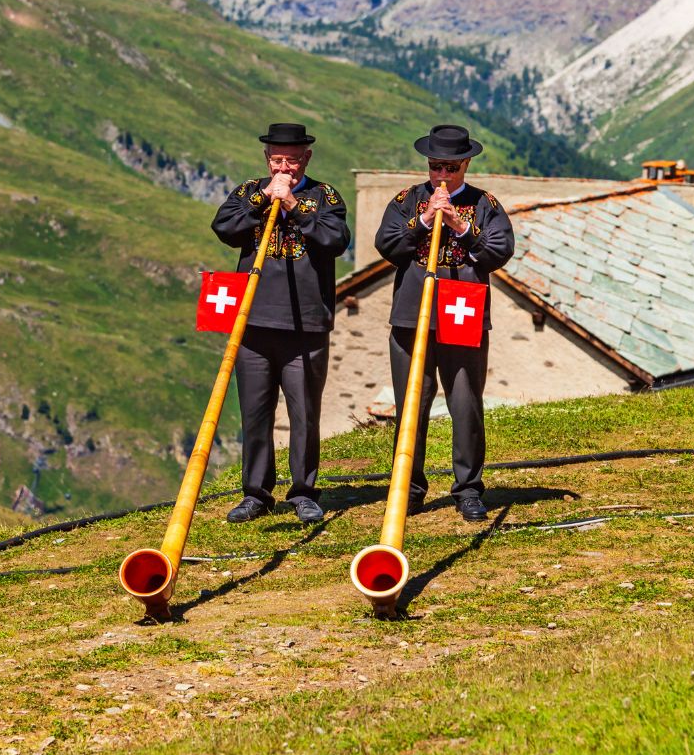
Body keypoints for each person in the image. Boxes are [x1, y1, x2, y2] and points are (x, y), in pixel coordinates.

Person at [375, 124, 514, 522]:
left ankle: (468, 489)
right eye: (436, 167)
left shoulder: (484, 203)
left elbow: (498, 251)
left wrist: (459, 227)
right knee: (411, 405)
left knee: (466, 402)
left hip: (462, 308)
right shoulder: (406, 200)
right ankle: (409, 488)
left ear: (465, 164)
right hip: (411, 312)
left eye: (450, 168)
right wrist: (422, 223)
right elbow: (387, 245)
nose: (442, 176)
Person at [212, 122, 351, 524]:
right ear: (266, 158)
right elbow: (225, 228)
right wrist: (261, 201)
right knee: (255, 411)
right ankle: (256, 493)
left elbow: (335, 240)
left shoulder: (324, 195)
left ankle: (304, 491)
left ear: (306, 158)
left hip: (305, 324)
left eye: (291, 159)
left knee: (303, 411)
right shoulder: (248, 191)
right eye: (276, 159)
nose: (283, 166)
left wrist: (291, 204)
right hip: (253, 321)